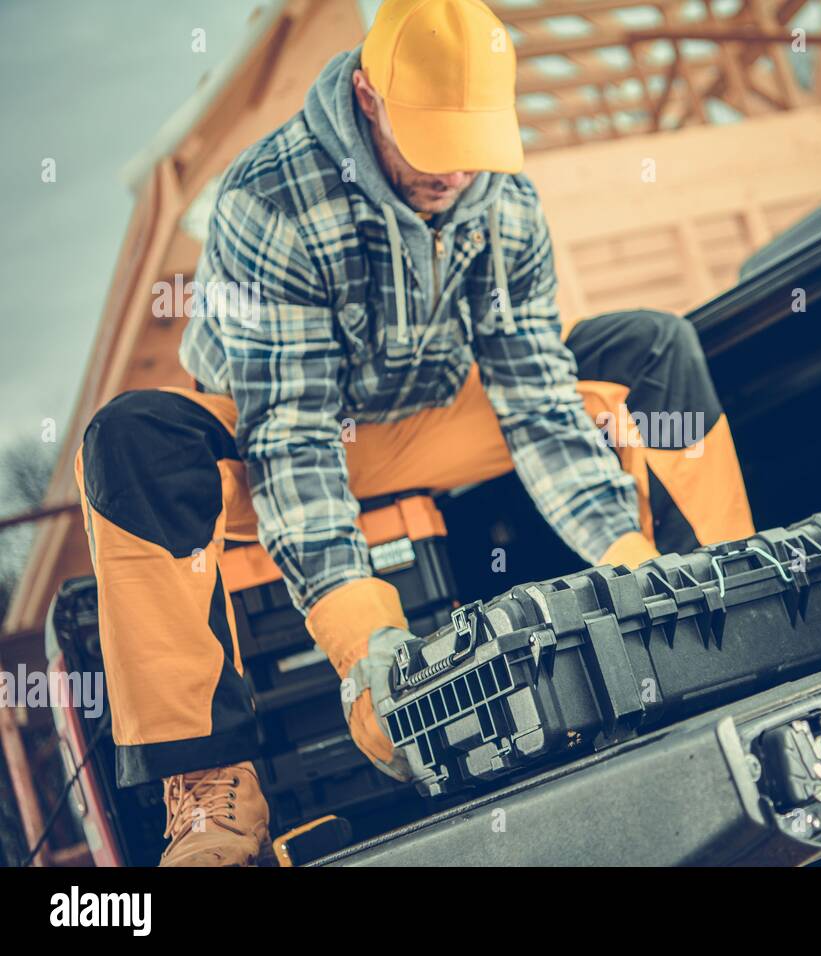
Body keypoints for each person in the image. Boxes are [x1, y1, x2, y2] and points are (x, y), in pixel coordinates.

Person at [74, 0, 753, 866]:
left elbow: (538, 403)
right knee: (131, 440)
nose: (452, 174)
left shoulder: (501, 202)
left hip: (428, 421)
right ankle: (213, 804)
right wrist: (366, 648)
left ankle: (715, 619)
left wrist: (624, 561)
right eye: (432, 143)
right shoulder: (268, 200)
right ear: (367, 97)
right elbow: (294, 438)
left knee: (645, 348)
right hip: (275, 443)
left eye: (472, 146)